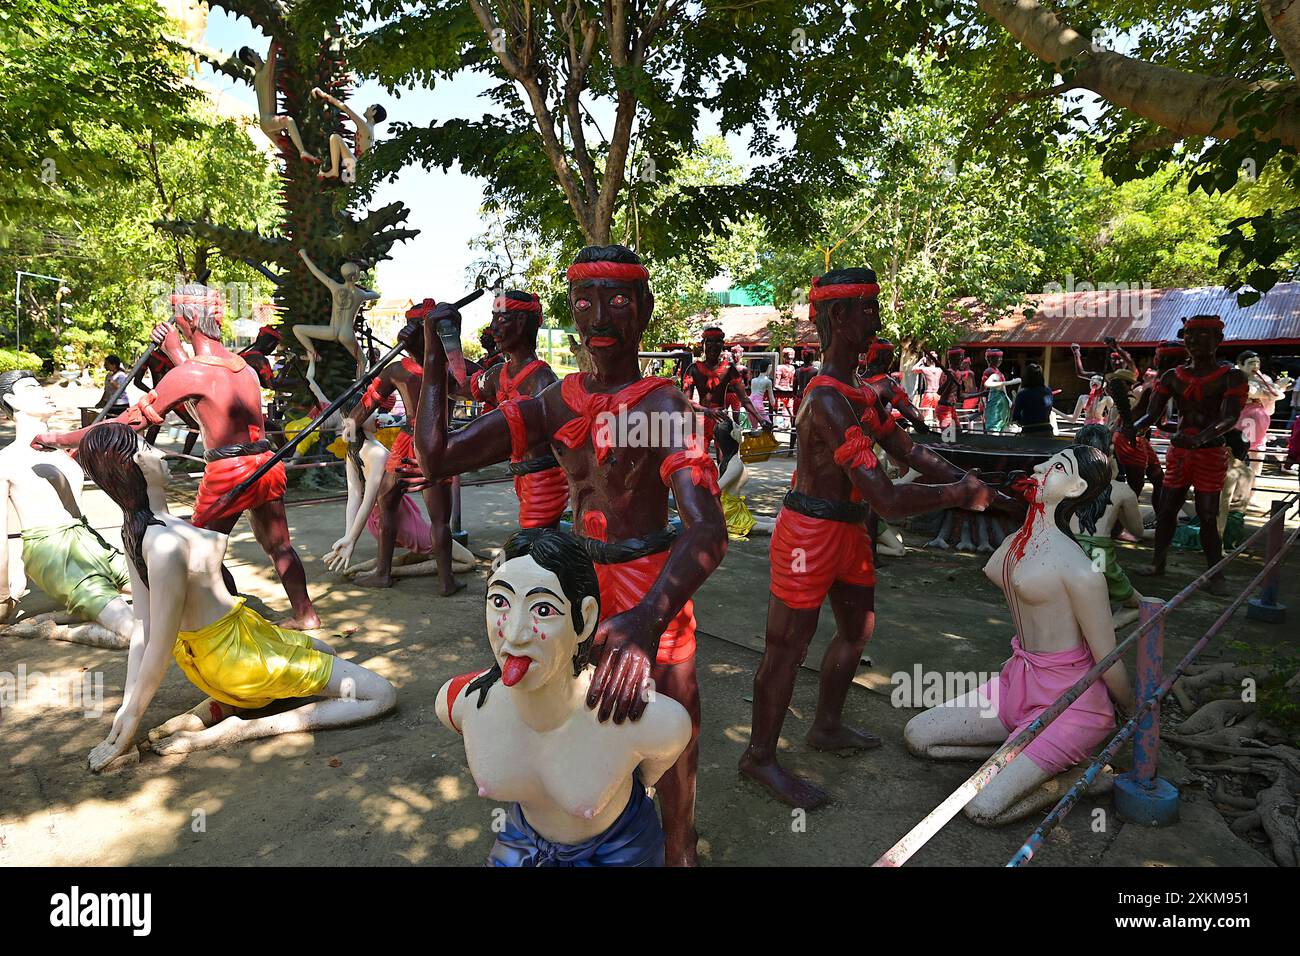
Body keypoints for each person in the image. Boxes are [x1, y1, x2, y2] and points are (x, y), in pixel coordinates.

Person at [415, 244, 727, 866]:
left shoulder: (665, 407)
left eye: (616, 301)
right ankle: (582, 834)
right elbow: (438, 458)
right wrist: (431, 356)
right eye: (585, 301)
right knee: (564, 716)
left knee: (669, 722)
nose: (599, 318)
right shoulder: (556, 401)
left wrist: (648, 619)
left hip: (647, 581)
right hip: (570, 583)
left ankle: (679, 844)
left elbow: (708, 531)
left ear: (643, 309)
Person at [738, 267, 1001, 809]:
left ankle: (826, 726)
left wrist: (981, 488)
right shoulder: (827, 400)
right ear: (838, 317)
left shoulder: (857, 393)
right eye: (867, 309)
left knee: (858, 630)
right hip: (810, 532)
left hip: (849, 530)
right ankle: (758, 757)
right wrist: (956, 495)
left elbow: (911, 453)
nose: (876, 319)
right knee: (787, 648)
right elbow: (887, 497)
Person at [79, 424, 395, 773]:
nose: (161, 453)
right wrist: (130, 715)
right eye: (148, 448)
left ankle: (220, 705)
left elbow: (142, 625)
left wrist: (128, 708)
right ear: (137, 462)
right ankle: (242, 728)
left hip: (238, 637)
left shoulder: (140, 529)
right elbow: (155, 639)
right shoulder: (164, 544)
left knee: (326, 651)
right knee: (380, 694)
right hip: (232, 656)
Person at [35, 284, 320, 630]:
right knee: (280, 547)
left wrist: (59, 437)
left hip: (230, 474)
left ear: (186, 319)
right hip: (264, 465)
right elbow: (202, 400)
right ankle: (305, 614)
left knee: (194, 551)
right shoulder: (241, 367)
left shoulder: (190, 373)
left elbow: (129, 421)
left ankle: (227, 622)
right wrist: (175, 351)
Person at [904, 445, 1134, 825]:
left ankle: (1077, 777)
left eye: (1057, 466)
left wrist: (1134, 709)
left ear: (1075, 488)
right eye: (1047, 460)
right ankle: (1018, 755)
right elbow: (995, 569)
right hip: (1018, 683)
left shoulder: (1080, 570)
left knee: (982, 808)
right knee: (918, 736)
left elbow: (1107, 658)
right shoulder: (1018, 542)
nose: (1041, 467)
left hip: (1070, 703)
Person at [437, 528, 691, 866]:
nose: (514, 634)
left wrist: (623, 771)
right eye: (500, 602)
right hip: (520, 841)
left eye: (543, 610)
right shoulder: (460, 703)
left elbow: (659, 756)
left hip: (618, 851)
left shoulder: (652, 722)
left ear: (584, 620)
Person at [0, 372, 134, 649]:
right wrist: (3, 594)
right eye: (32, 388)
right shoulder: (7, 460)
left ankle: (72, 613)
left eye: (41, 384)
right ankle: (53, 630)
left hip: (93, 543)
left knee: (172, 593)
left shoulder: (60, 450)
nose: (44, 391)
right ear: (11, 400)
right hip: (54, 553)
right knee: (133, 633)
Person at [342, 299, 462, 595]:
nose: (406, 332)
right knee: (395, 506)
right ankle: (434, 578)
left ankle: (403, 574)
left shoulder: (433, 370)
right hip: (428, 445)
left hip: (424, 445)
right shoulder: (406, 370)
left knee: (428, 515)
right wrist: (352, 422)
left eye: (414, 327)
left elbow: (369, 401)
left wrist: (353, 422)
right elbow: (369, 400)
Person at [1135, 316, 1248, 594]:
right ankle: (1158, 562)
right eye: (1189, 334)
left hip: (1209, 453)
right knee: (1166, 509)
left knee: (1208, 514)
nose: (1194, 340)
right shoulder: (1172, 376)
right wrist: (1130, 429)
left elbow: (1230, 417)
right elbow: (1151, 414)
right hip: (1181, 452)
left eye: (1203, 334)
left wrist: (1200, 438)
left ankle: (1215, 573)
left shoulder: (1231, 376)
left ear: (1218, 340)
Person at [467, 290, 568, 529]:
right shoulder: (498, 374)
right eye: (493, 319)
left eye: (501, 319)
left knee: (535, 541)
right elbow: (463, 385)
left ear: (521, 323)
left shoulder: (541, 381)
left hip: (542, 477)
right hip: (522, 472)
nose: (493, 328)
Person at [1072, 425, 1148, 628]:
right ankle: (1106, 629)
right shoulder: (1122, 490)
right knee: (1142, 606)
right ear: (1110, 453)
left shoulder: (1062, 482)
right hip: (1099, 557)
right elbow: (1137, 531)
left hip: (1063, 548)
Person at [295, 249, 381, 394]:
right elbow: (376, 295)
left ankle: (313, 354)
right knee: (362, 361)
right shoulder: (360, 294)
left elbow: (316, 272)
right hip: (346, 334)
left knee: (297, 329)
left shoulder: (334, 286)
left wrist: (304, 255)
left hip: (331, 331)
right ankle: (359, 391)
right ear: (356, 277)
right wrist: (363, 288)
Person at [681, 327, 771, 459]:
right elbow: (685, 400)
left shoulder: (729, 369)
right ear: (703, 344)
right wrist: (707, 411)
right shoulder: (693, 369)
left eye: (717, 341)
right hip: (701, 420)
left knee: (726, 462)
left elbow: (744, 399)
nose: (713, 346)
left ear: (723, 345)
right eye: (709, 341)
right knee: (697, 463)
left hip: (721, 419)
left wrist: (761, 419)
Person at [237, 41, 318, 163]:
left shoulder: (257, 78)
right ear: (250, 58)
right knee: (288, 121)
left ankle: (301, 158)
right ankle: (303, 152)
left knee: (288, 152)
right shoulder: (265, 74)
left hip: (265, 122)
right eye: (254, 52)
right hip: (268, 120)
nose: (257, 53)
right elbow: (272, 51)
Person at [311, 87, 386, 183]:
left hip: (356, 169)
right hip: (358, 170)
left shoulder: (365, 127)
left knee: (335, 137)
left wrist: (324, 95)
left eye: (371, 107)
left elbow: (345, 108)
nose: (367, 108)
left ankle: (334, 171)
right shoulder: (370, 131)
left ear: (374, 112)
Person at [861, 338, 930, 433]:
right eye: (891, 356)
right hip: (874, 438)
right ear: (887, 359)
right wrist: (920, 425)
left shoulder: (856, 379)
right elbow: (914, 414)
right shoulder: (886, 383)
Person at [1011, 363, 1054, 434]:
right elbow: (1048, 410)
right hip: (1047, 430)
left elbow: (1015, 416)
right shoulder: (1048, 391)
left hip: (1029, 431)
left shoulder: (1022, 394)